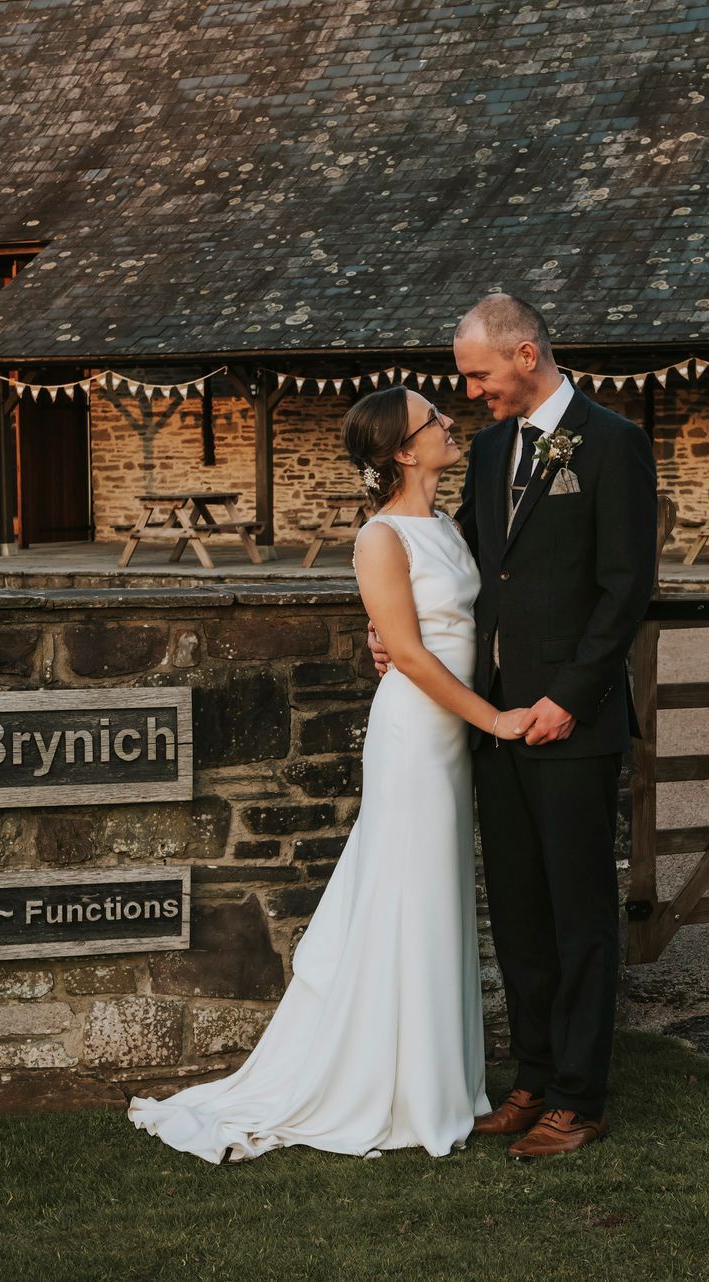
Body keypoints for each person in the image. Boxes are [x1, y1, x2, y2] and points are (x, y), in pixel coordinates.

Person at [127, 386, 531, 1164]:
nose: (451, 423)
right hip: (418, 734)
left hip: (450, 734)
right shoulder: (380, 538)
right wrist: (496, 720)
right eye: (434, 420)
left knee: (437, 895)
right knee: (406, 893)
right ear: (404, 451)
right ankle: (394, 1085)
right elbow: (407, 655)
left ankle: (437, 1081)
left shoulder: (444, 523)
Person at [374, 294, 658, 1158]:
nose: (470, 392)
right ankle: (532, 1077)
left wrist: (568, 697)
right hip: (494, 722)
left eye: (478, 373)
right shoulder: (493, 448)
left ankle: (579, 1095)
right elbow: (460, 567)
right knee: (522, 915)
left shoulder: (615, 445)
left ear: (526, 354)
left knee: (580, 918)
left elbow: (625, 591)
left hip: (572, 723)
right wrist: (389, 633)